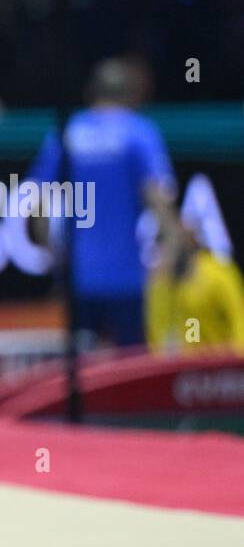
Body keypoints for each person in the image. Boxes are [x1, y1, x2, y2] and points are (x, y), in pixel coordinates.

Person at [27, 57, 181, 347]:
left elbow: (38, 198)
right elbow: (159, 199)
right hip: (128, 282)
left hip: (79, 281)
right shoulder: (139, 132)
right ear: (131, 95)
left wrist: (51, 251)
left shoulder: (68, 131)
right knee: (127, 376)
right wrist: (169, 252)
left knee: (84, 376)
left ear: (90, 93)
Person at [146, 221, 244, 354]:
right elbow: (167, 336)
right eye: (162, 246)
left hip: (229, 364)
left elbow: (238, 316)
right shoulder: (167, 286)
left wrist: (238, 361)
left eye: (170, 244)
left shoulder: (218, 273)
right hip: (197, 367)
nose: (166, 253)